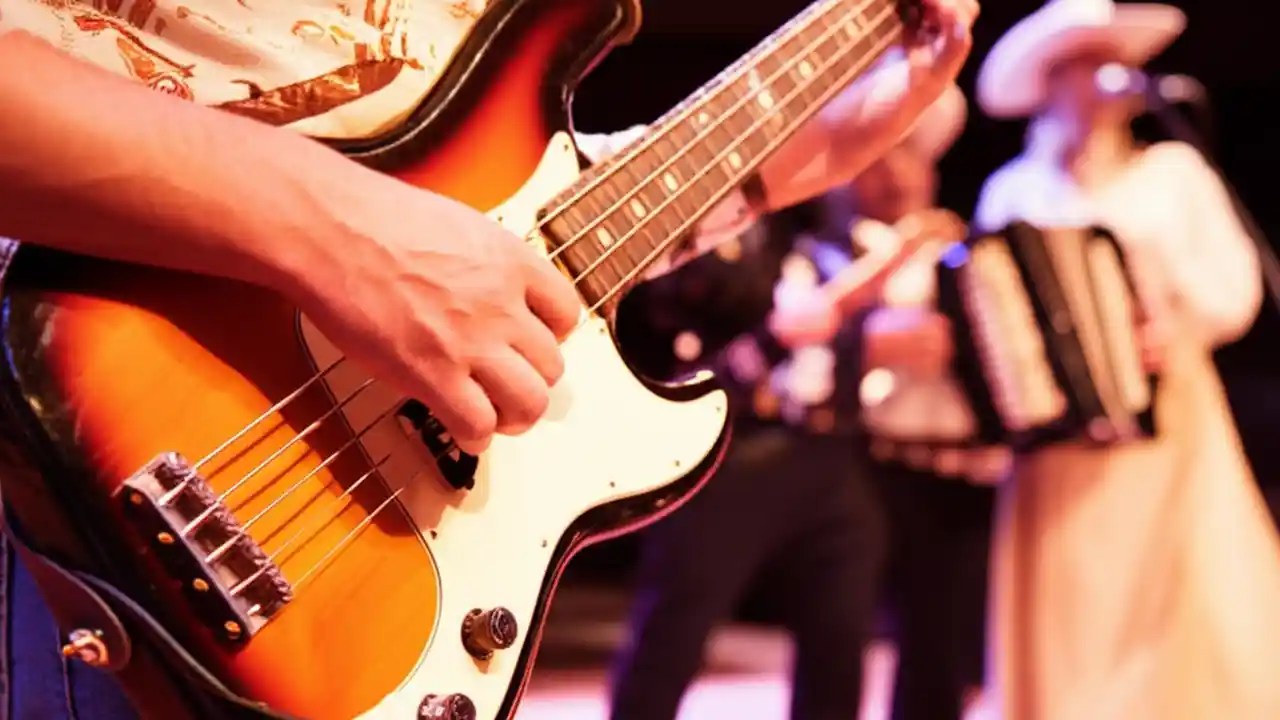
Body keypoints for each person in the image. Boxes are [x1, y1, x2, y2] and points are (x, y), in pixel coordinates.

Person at [0, 0, 979, 717]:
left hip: (346, 548)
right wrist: (341, 238)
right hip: (93, 434)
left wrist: (764, 171)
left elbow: (479, 188)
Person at [605, 81, 971, 720]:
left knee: (840, 638)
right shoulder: (730, 234)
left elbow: (847, 342)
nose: (880, 166)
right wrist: (778, 337)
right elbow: (688, 363)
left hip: (831, 458)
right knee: (675, 632)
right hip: (733, 460)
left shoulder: (843, 242)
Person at [971, 0, 1280, 717]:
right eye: (1083, 64)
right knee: (1072, 590)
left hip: (1170, 416)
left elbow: (1235, 289)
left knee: (1179, 583)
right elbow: (991, 308)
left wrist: (1172, 319)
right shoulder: (1017, 190)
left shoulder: (1172, 172)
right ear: (1049, 83)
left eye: (1112, 62)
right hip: (1059, 440)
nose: (1106, 78)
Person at [831, 89, 1000, 720]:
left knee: (945, 638)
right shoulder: (841, 249)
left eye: (910, 154)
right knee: (846, 628)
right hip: (874, 464)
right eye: (878, 157)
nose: (896, 172)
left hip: (965, 464)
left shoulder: (969, 251)